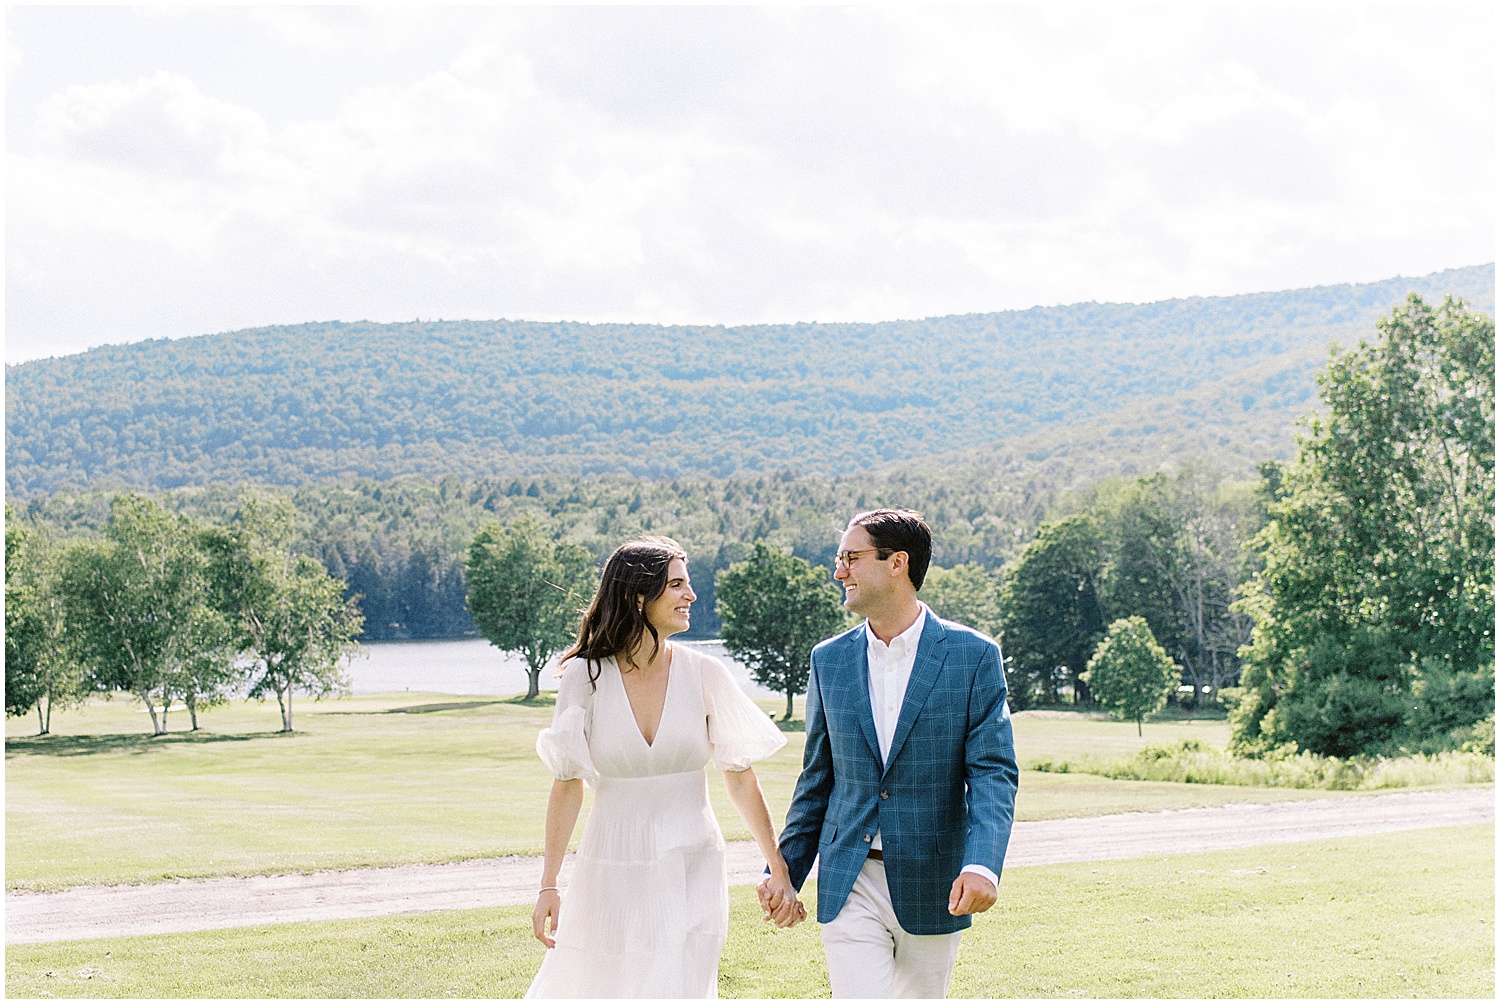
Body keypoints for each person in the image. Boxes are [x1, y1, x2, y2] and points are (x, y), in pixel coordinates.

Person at [527, 536, 803, 999]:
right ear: (638, 596)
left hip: (693, 857)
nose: (690, 596)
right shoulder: (585, 677)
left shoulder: (705, 673)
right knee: (600, 983)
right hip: (611, 859)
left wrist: (777, 867)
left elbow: (738, 776)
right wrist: (548, 886)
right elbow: (567, 784)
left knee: (683, 984)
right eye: (676, 585)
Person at [763, 508, 1018, 998]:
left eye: (851, 558)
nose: (840, 572)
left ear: (897, 562)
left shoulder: (974, 655)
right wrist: (785, 872)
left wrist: (983, 863)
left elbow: (993, 773)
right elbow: (817, 779)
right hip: (848, 878)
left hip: (935, 880)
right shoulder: (828, 659)